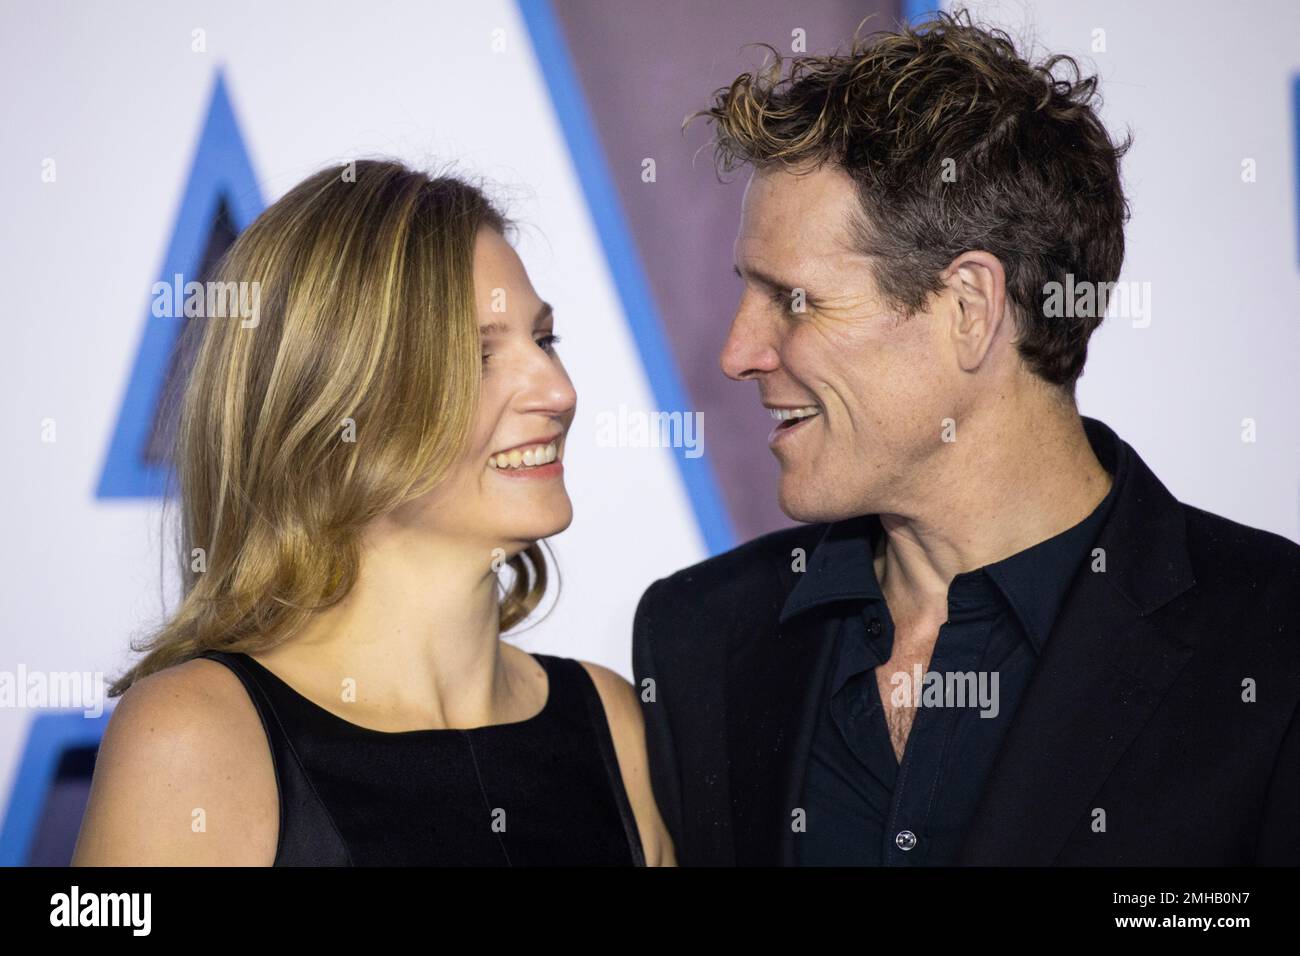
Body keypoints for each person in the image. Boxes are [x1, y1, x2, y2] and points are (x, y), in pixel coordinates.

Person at [632, 11, 1300, 865]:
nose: (736, 354)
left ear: (970, 310)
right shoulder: (701, 639)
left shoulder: (1272, 640)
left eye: (793, 299)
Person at [74, 160, 673, 866]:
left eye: (544, 341)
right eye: (475, 357)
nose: (558, 389)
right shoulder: (195, 737)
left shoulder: (609, 718)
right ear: (331, 412)